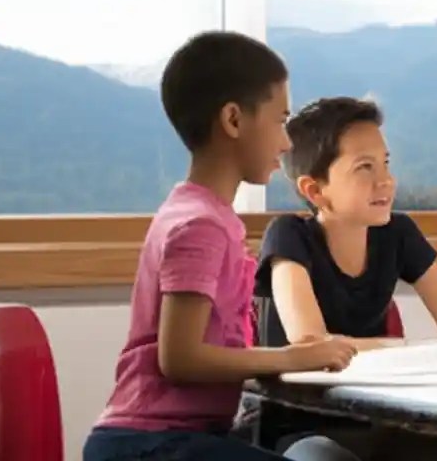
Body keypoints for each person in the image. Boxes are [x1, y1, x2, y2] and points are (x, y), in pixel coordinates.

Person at [82, 31, 360, 461]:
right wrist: (291, 357)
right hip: (149, 444)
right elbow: (181, 357)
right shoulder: (200, 225)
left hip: (175, 438)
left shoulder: (199, 212)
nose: (286, 142)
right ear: (233, 120)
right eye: (279, 120)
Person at [251, 96, 437, 459]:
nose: (386, 181)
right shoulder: (287, 236)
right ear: (314, 190)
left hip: (378, 420)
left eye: (385, 164)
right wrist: (408, 349)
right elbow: (311, 344)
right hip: (299, 427)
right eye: (365, 168)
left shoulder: (399, 233)